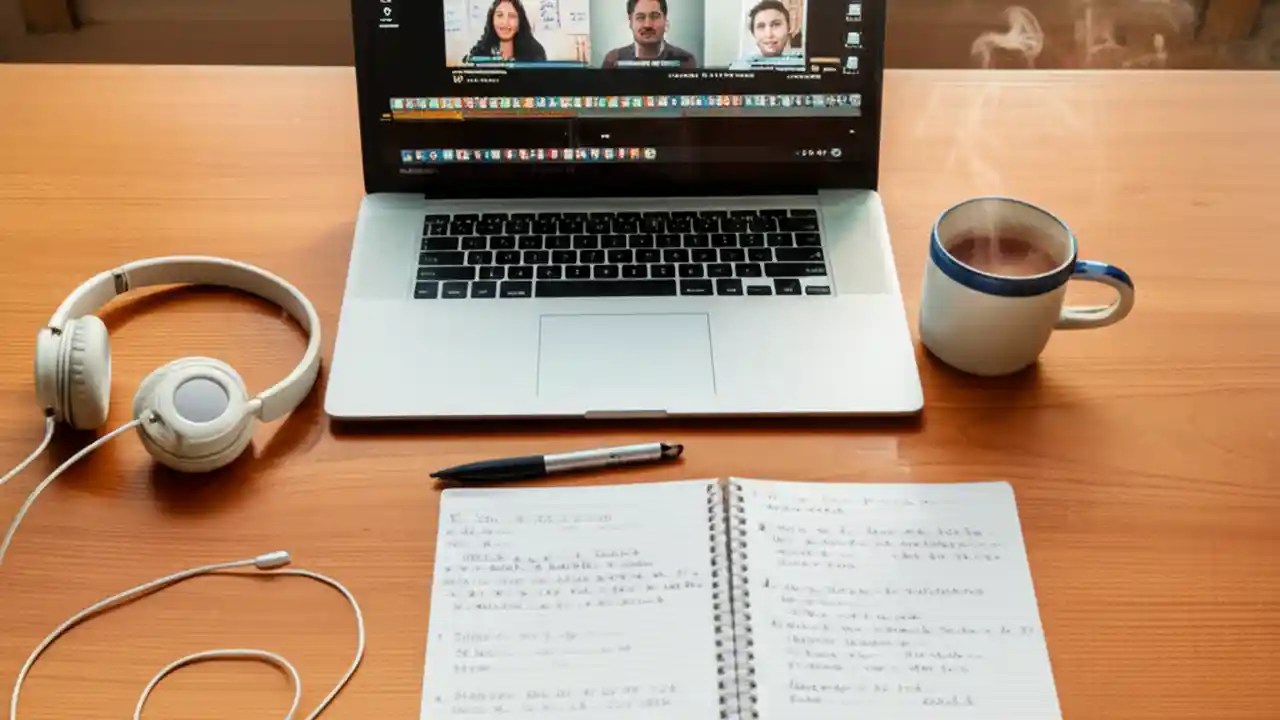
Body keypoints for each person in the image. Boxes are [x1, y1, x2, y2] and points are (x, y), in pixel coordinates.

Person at [602, 0, 697, 69]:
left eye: (654, 16)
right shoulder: (613, 60)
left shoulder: (684, 60)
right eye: (640, 17)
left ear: (665, 21)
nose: (647, 25)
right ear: (630, 22)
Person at [465, 0, 547, 64]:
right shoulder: (479, 53)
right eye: (500, 15)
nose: (505, 22)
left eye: (512, 16)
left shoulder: (534, 53)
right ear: (492, 20)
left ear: (520, 22)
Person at [730, 0, 804, 70]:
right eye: (761, 26)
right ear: (753, 33)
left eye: (776, 24)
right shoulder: (740, 66)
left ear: (789, 27)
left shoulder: (804, 63)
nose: (769, 35)